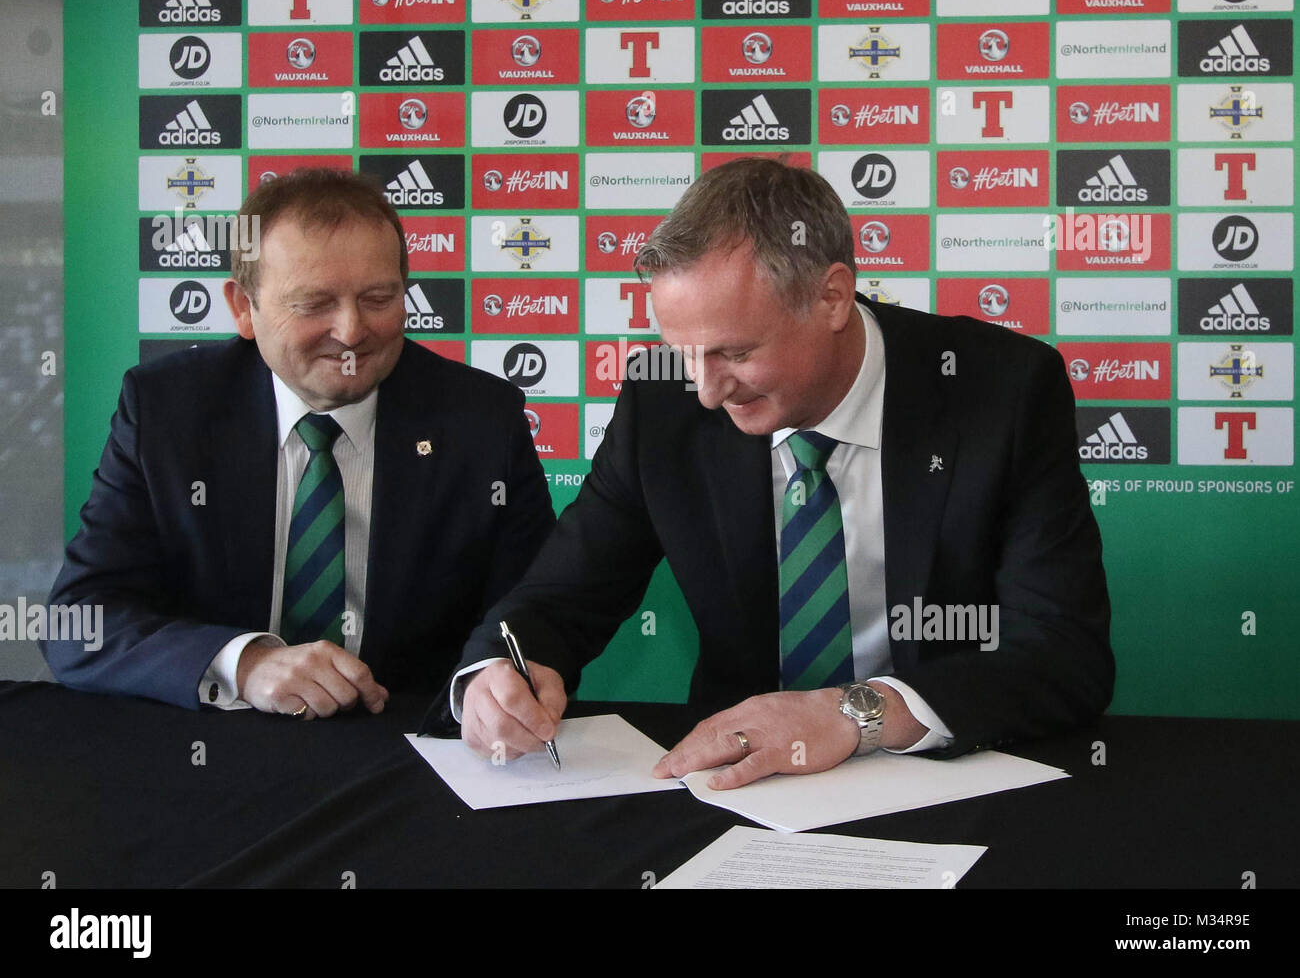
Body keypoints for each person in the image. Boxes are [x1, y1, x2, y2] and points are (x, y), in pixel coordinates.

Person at [454, 157, 1112, 788]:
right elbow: (560, 598)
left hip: (950, 775)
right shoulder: (663, 409)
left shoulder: (1002, 390)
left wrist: (854, 716)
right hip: (737, 786)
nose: (708, 391)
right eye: (684, 355)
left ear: (830, 297)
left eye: (735, 353)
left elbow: (1062, 655)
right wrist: (497, 675)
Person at [45, 168, 554, 718]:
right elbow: (80, 618)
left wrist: (489, 682)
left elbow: (533, 607)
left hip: (407, 745)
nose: (352, 331)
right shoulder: (167, 411)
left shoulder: (482, 420)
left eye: (379, 298)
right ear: (244, 308)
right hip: (216, 744)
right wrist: (243, 663)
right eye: (313, 304)